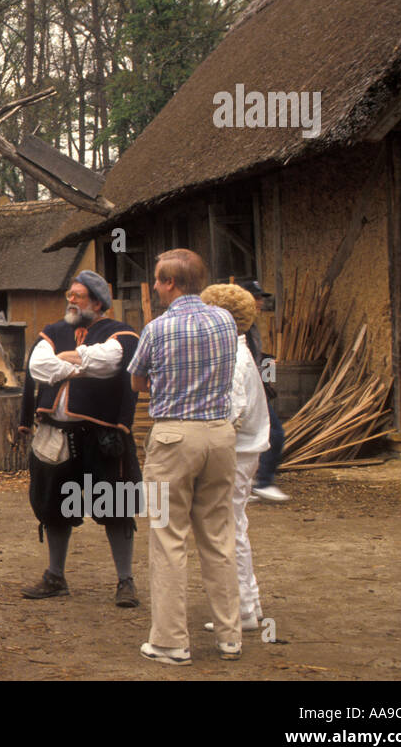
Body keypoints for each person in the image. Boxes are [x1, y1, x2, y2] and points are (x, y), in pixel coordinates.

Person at [128, 249, 240, 666]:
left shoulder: (157, 328)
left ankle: (172, 642)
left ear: (171, 283)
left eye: (158, 280)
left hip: (174, 434)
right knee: (219, 536)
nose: (155, 287)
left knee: (169, 538)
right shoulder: (226, 320)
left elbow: (138, 381)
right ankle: (230, 636)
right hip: (219, 433)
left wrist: (166, 380)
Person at [18, 270, 143, 607]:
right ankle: (55, 577)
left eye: (78, 296)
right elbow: (37, 368)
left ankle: (125, 582)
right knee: (54, 506)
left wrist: (67, 359)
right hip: (57, 435)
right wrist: (78, 364)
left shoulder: (121, 333)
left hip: (103, 436)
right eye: (69, 295)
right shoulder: (55, 331)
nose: (70, 301)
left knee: (115, 506)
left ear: (98, 302)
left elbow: (110, 361)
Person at [199, 284, 269, 633]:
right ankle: (248, 603)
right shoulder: (239, 351)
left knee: (228, 528)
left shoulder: (234, 358)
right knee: (235, 524)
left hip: (237, 449)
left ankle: (240, 608)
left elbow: (233, 407)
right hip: (246, 447)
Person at [236, 278, 290, 502]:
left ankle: (253, 483)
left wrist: (267, 363)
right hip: (245, 391)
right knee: (274, 433)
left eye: (260, 298)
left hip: (254, 389)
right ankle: (262, 482)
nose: (260, 302)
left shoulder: (252, 326)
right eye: (256, 298)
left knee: (259, 436)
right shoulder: (240, 327)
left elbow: (254, 357)